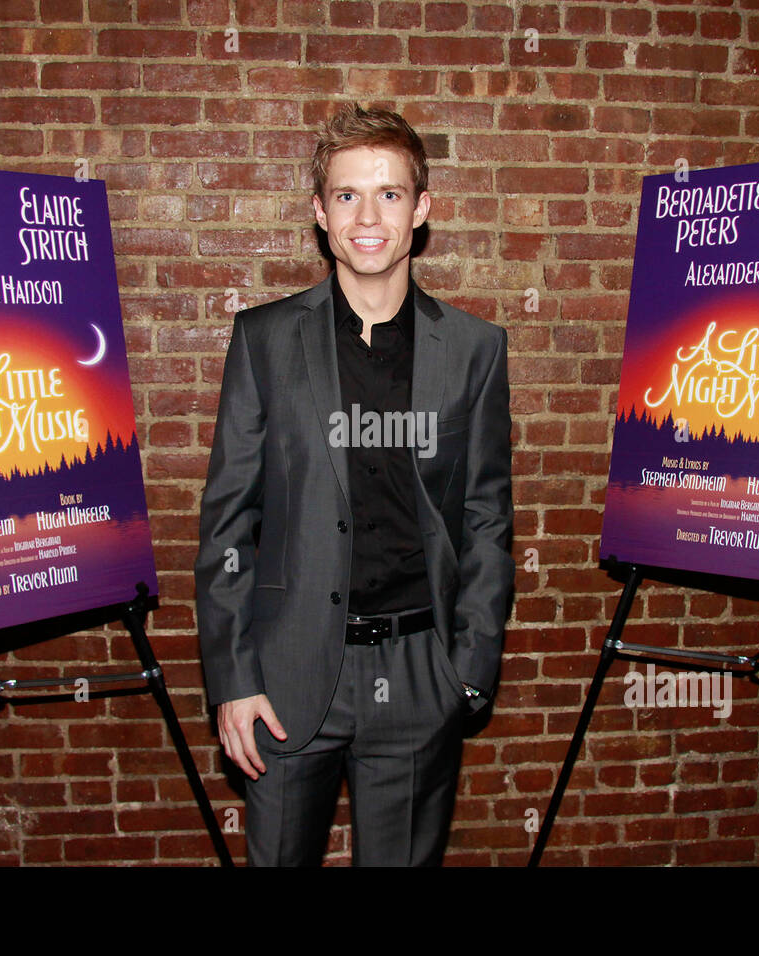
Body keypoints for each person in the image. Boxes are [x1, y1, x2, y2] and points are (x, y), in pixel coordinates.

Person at [194, 103, 514, 866]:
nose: (368, 217)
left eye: (390, 194)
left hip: (418, 675)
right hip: (286, 675)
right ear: (319, 212)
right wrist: (233, 679)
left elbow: (487, 519)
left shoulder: (474, 350)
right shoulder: (265, 340)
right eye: (346, 195)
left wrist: (466, 671)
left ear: (422, 209)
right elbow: (228, 525)